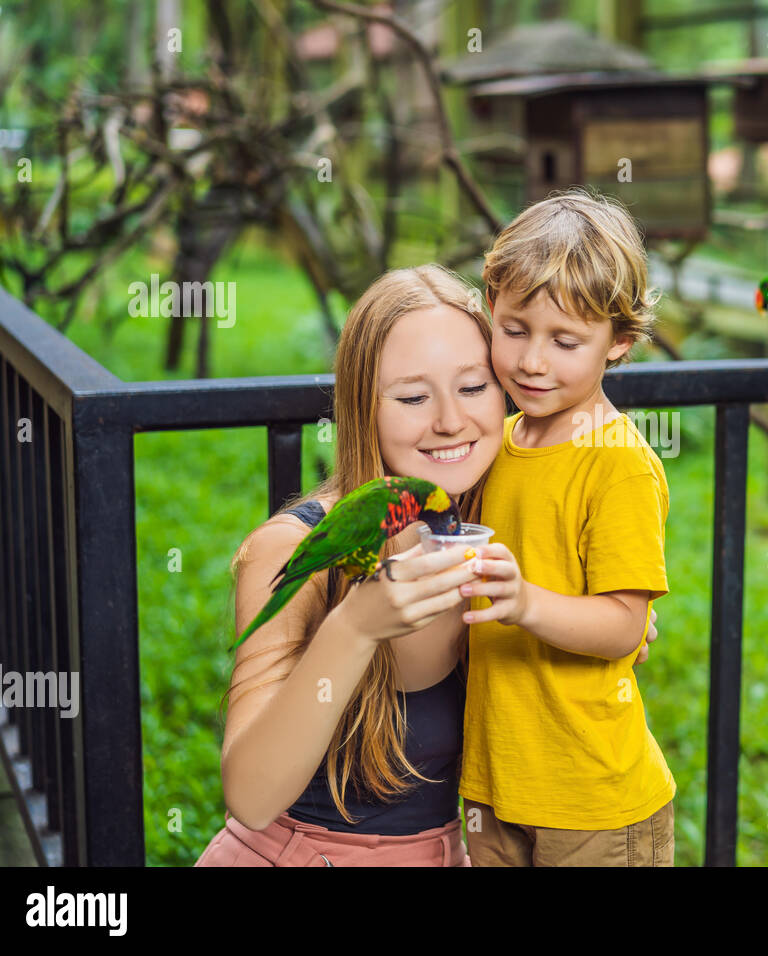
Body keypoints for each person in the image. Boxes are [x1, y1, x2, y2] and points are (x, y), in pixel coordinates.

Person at [194, 264, 659, 866]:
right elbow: (252, 797)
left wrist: (599, 619)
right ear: (364, 407)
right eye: (413, 397)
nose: (449, 420)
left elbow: (612, 621)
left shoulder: (496, 525)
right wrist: (356, 626)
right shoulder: (297, 550)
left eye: (473, 388)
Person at [455, 188, 676, 866]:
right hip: (490, 785)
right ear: (491, 310)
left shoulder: (619, 465)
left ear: (621, 345)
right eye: (515, 329)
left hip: (590, 802)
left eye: (566, 341)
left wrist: (523, 603)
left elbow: (624, 627)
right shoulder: (495, 439)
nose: (532, 361)